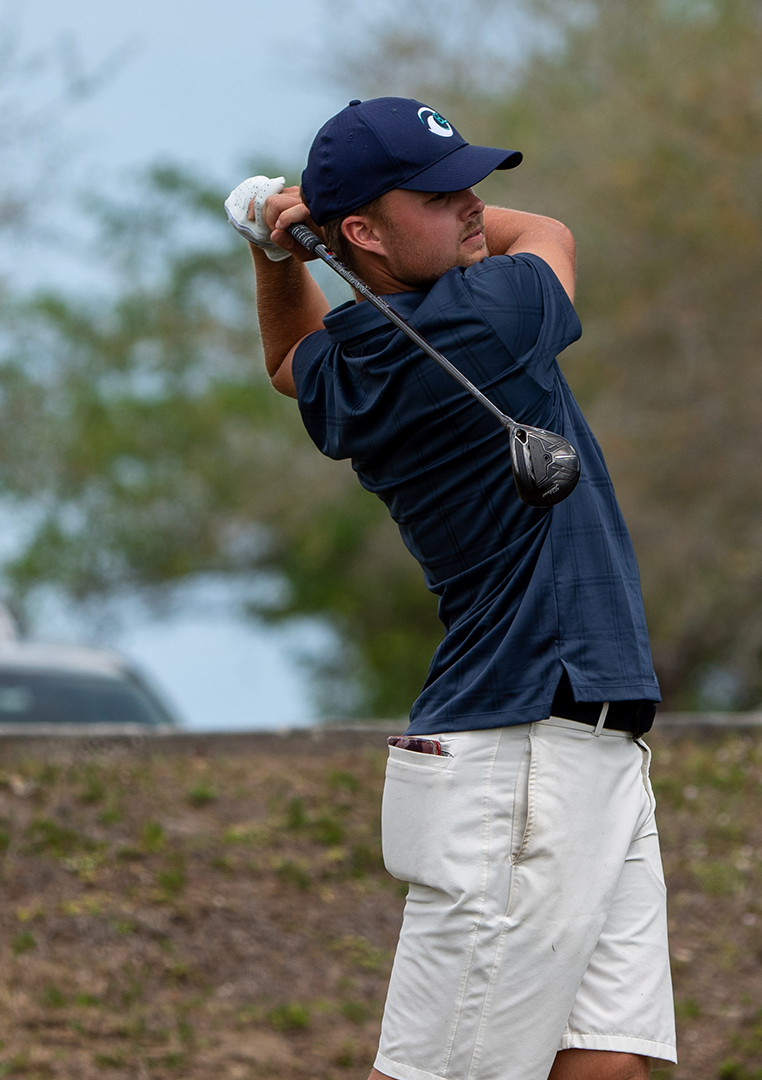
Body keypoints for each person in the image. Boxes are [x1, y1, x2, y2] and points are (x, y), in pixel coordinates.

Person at [239, 97, 674, 1080]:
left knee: (603, 1062)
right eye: (438, 195)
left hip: (577, 746)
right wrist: (308, 227)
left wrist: (280, 252)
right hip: (521, 751)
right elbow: (550, 231)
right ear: (364, 230)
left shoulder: (358, 358)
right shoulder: (496, 313)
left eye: (471, 183)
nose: (474, 205)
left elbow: (281, 359)